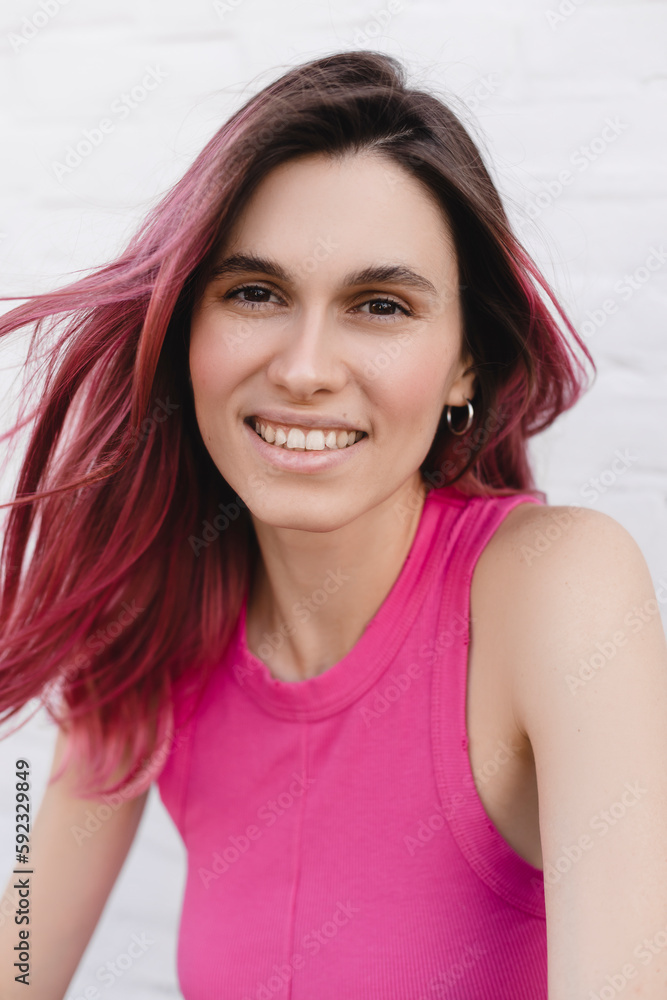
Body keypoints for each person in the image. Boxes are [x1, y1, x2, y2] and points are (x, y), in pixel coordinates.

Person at [1, 49, 666, 1000]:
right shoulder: (151, 627)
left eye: (380, 305)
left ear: (465, 365)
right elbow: (18, 958)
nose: (306, 367)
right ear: (188, 327)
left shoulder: (559, 589)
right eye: (256, 293)